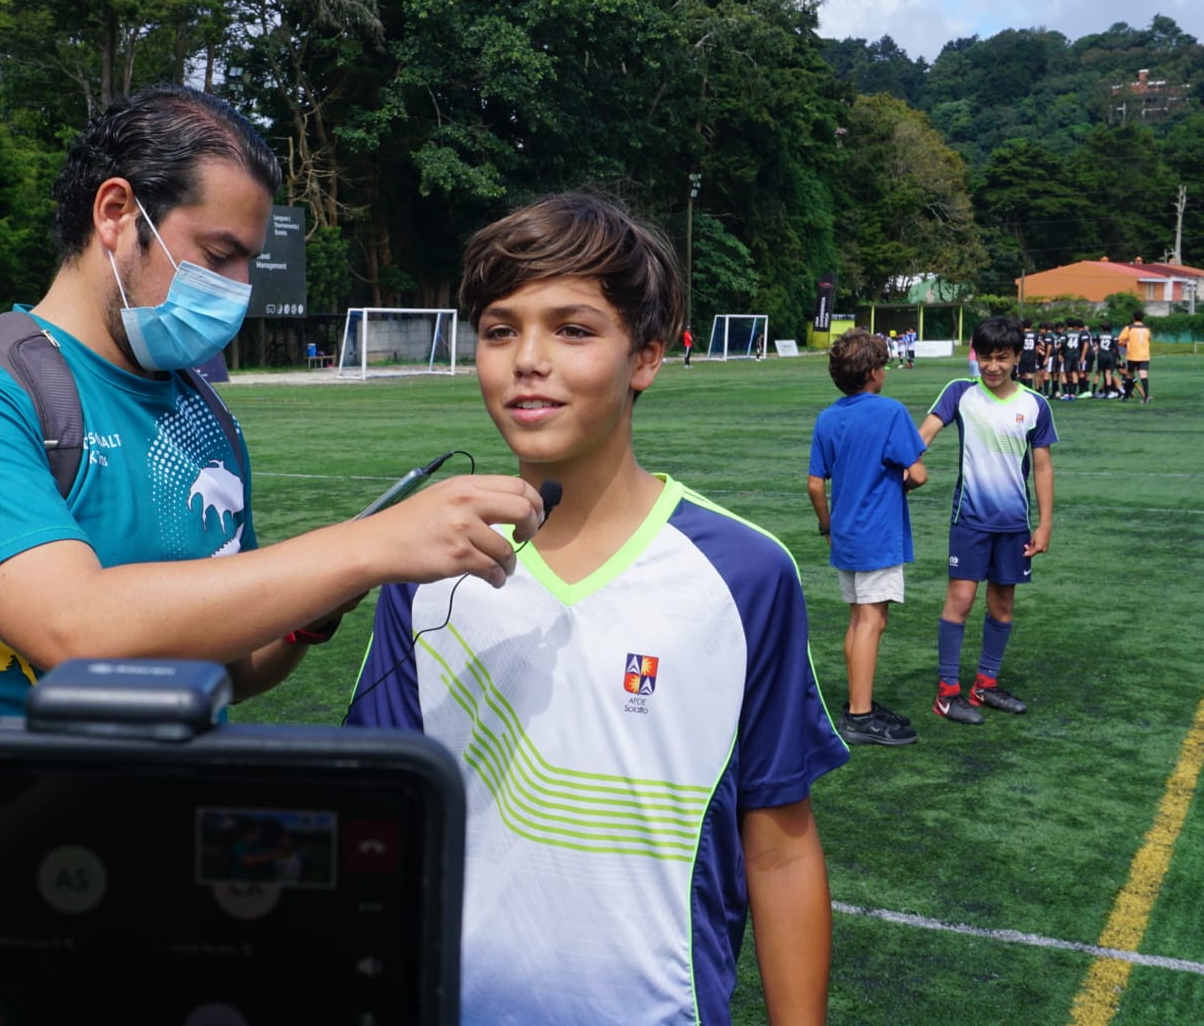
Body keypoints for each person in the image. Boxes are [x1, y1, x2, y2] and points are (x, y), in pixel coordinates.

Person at [0, 85, 543, 715]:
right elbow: (74, 627)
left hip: (173, 818)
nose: (241, 289)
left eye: (248, 260)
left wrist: (312, 607)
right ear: (116, 214)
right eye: (220, 256)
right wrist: (363, 546)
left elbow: (229, 664)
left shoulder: (202, 412)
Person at [347, 193, 848, 1025]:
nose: (526, 359)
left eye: (573, 330)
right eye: (501, 330)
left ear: (646, 356)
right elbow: (378, 824)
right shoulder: (421, 566)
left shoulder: (743, 575)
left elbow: (781, 846)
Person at [918, 316, 1057, 725]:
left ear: (1017, 358)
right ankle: (947, 692)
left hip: (1014, 525)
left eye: (1003, 358)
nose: (993, 366)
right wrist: (908, 461)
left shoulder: (1035, 404)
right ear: (975, 355)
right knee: (960, 601)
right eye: (986, 357)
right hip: (971, 521)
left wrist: (1045, 524)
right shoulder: (960, 393)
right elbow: (925, 432)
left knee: (1003, 604)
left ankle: (985, 683)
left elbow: (1043, 467)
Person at [808, 328, 927, 746]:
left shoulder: (828, 418)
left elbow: (815, 485)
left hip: (845, 534)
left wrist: (826, 526)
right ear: (875, 372)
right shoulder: (890, 412)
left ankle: (859, 702)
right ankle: (859, 716)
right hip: (879, 534)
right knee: (872, 621)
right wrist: (901, 483)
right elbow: (918, 474)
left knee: (860, 618)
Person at [1118, 310, 1153, 404]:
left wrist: (1126, 344)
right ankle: (1146, 398)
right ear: (1142, 318)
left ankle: (1125, 397)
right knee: (1143, 376)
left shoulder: (1129, 328)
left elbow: (1120, 341)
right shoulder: (1147, 329)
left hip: (1132, 356)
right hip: (1144, 356)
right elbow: (1149, 340)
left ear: (1133, 318)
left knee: (1129, 376)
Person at [1092, 323, 1121, 399]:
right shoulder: (1113, 336)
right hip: (1109, 356)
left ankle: (1093, 392)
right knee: (1108, 374)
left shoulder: (1098, 335)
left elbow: (1092, 341)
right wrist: (1119, 359)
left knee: (1098, 374)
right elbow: (1116, 349)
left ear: (1102, 328)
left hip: (1101, 356)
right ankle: (1107, 394)